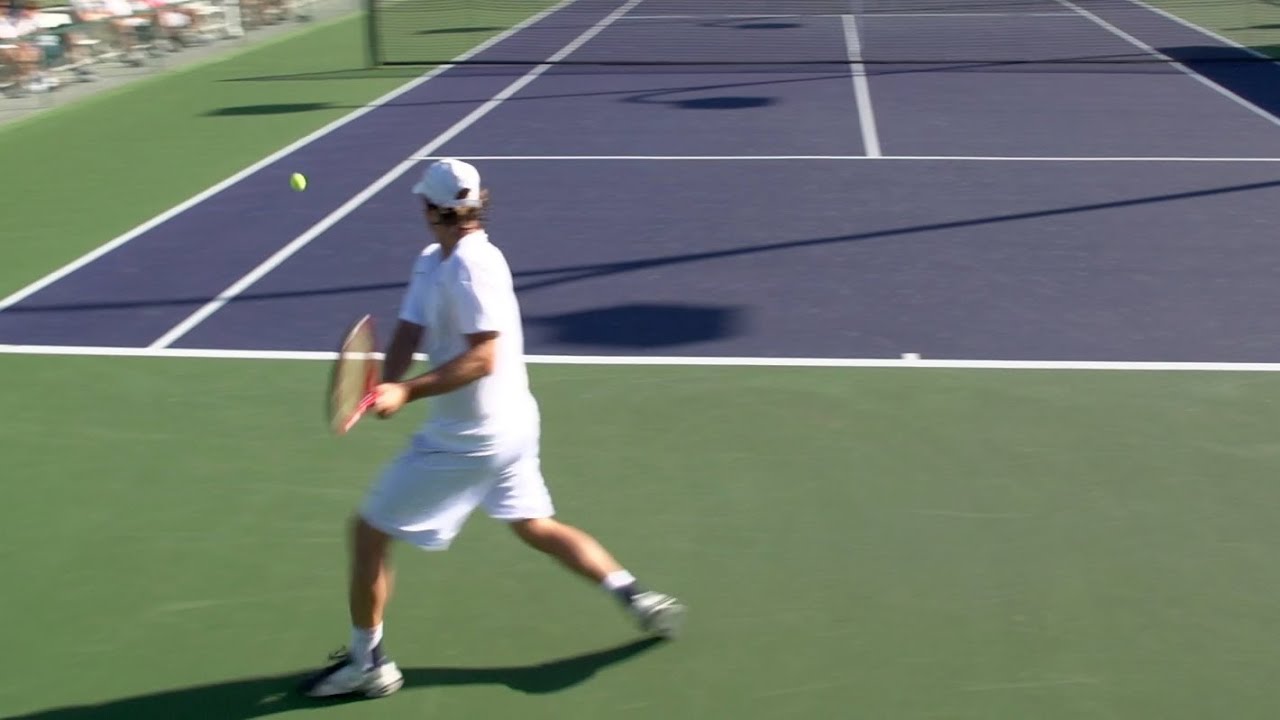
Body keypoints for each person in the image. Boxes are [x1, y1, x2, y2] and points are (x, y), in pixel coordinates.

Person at [300, 158, 686, 700]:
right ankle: (634, 595)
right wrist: (382, 383)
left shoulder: (475, 267)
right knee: (534, 525)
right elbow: (410, 330)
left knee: (368, 533)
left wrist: (406, 391)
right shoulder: (433, 260)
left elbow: (483, 358)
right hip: (513, 426)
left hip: (470, 440)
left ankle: (369, 663)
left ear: (433, 209)